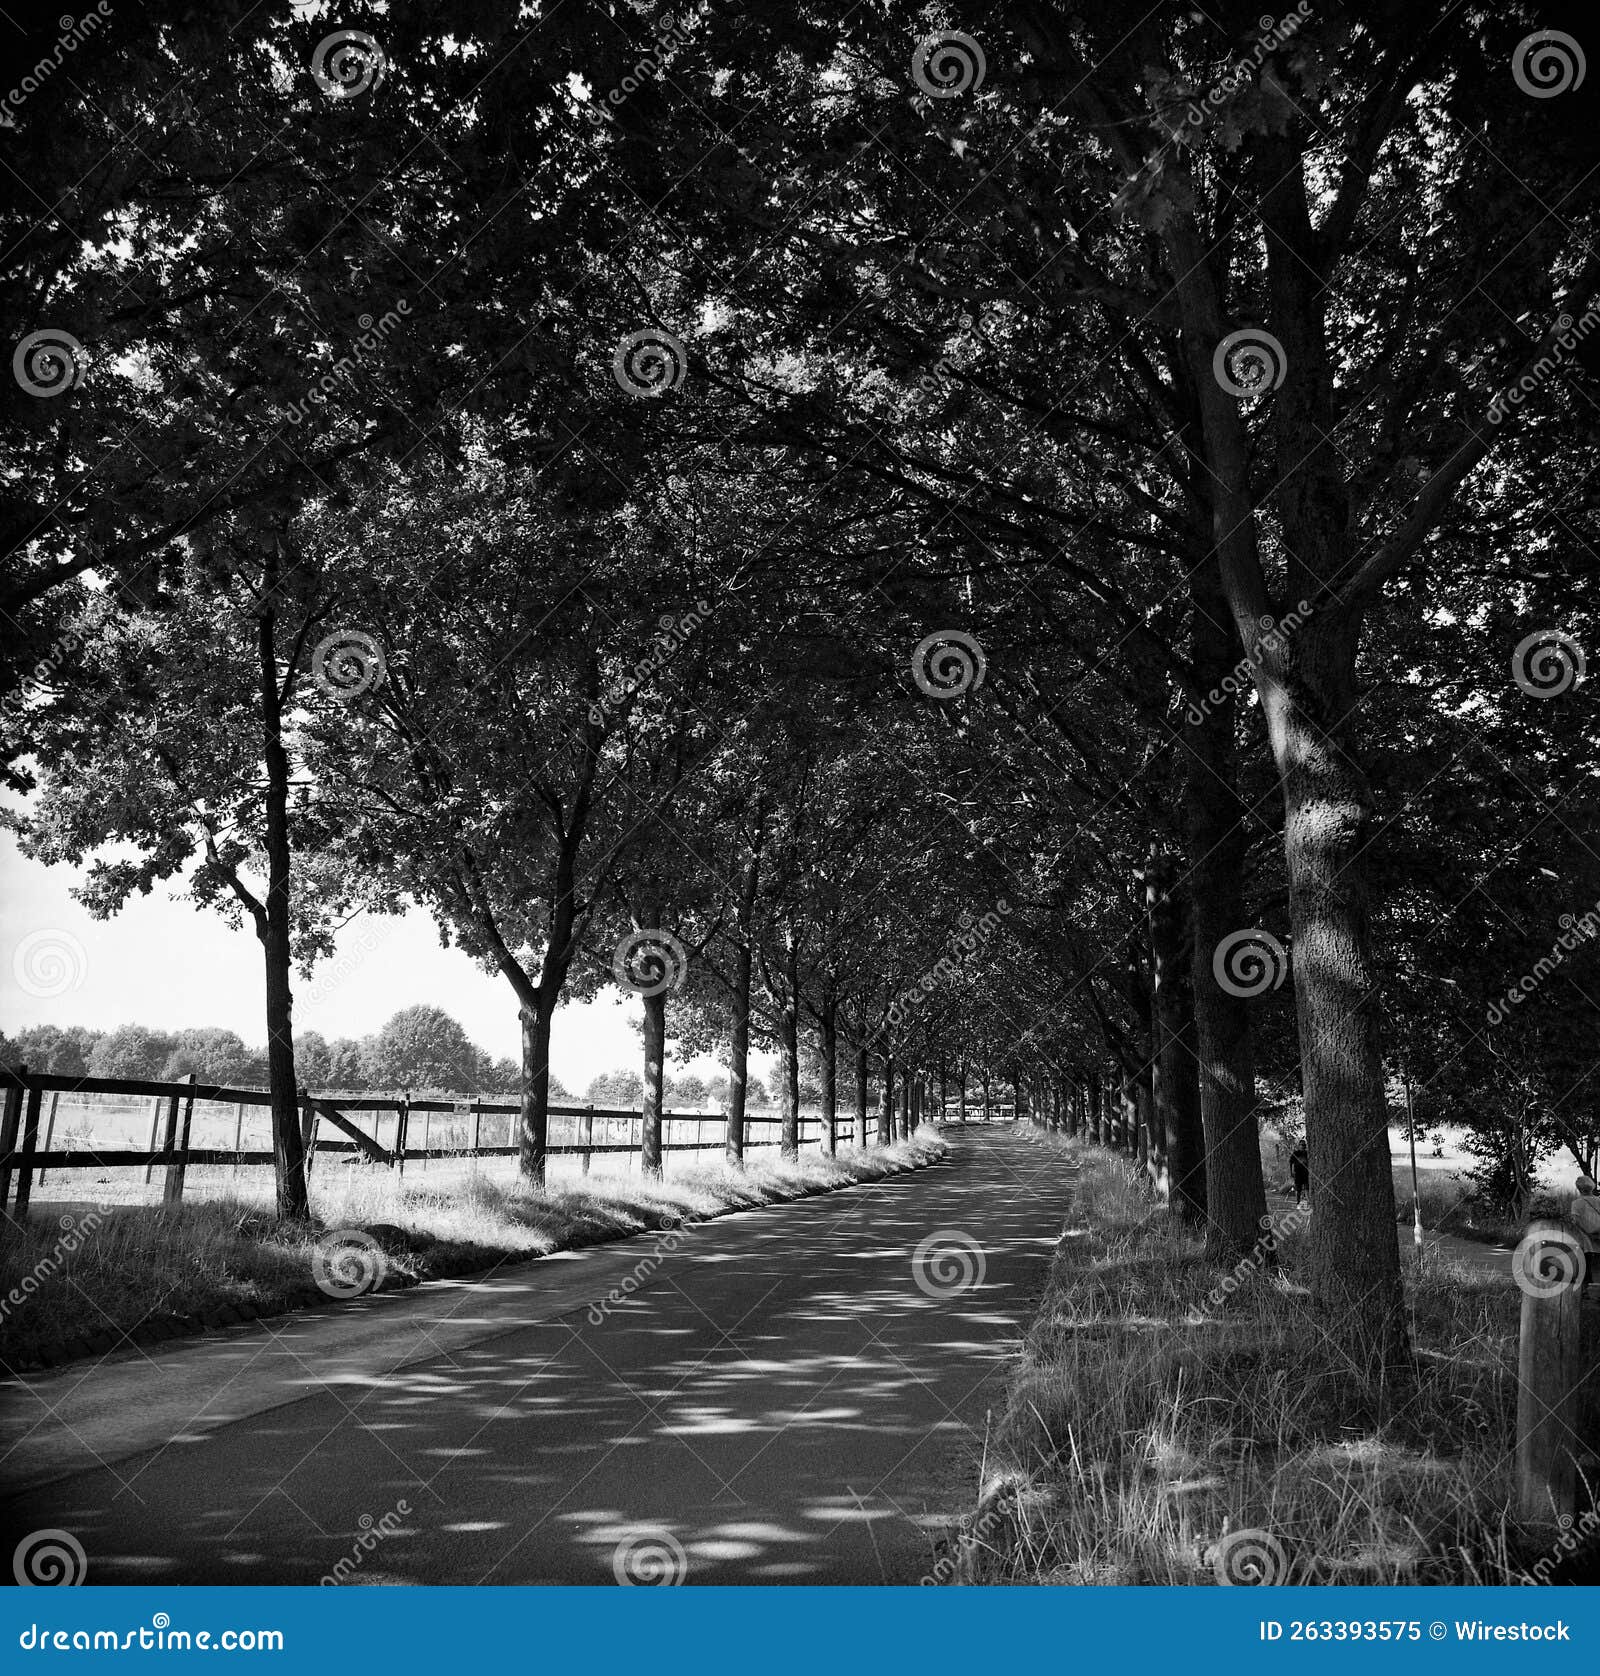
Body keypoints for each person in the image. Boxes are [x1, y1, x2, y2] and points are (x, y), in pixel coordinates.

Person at [1289, 1141, 1309, 1205]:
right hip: (1297, 1173)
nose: (1303, 1146)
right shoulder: (1296, 1153)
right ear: (1299, 1146)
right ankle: (1298, 1202)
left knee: (1307, 1187)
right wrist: (1291, 1172)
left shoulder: (1307, 1153)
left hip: (1306, 1173)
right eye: (1301, 1145)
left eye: (1304, 1145)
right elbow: (1290, 1162)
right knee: (1298, 1189)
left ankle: (1308, 1201)